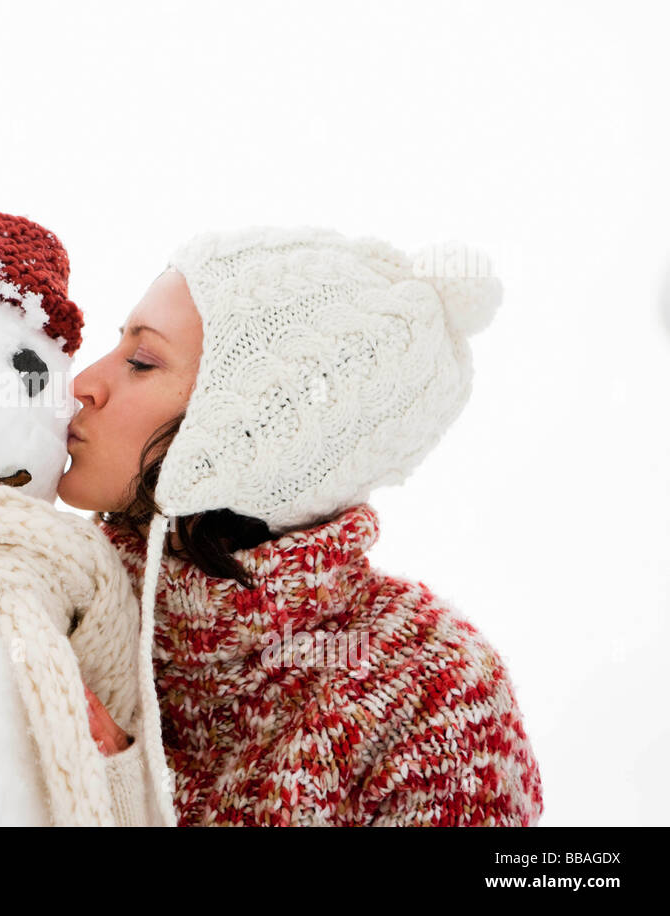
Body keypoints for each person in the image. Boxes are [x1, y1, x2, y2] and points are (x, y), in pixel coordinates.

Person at [64, 227, 545, 826]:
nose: (82, 382)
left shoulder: (431, 690)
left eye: (141, 361)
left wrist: (129, 792)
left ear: (250, 436)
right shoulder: (50, 603)